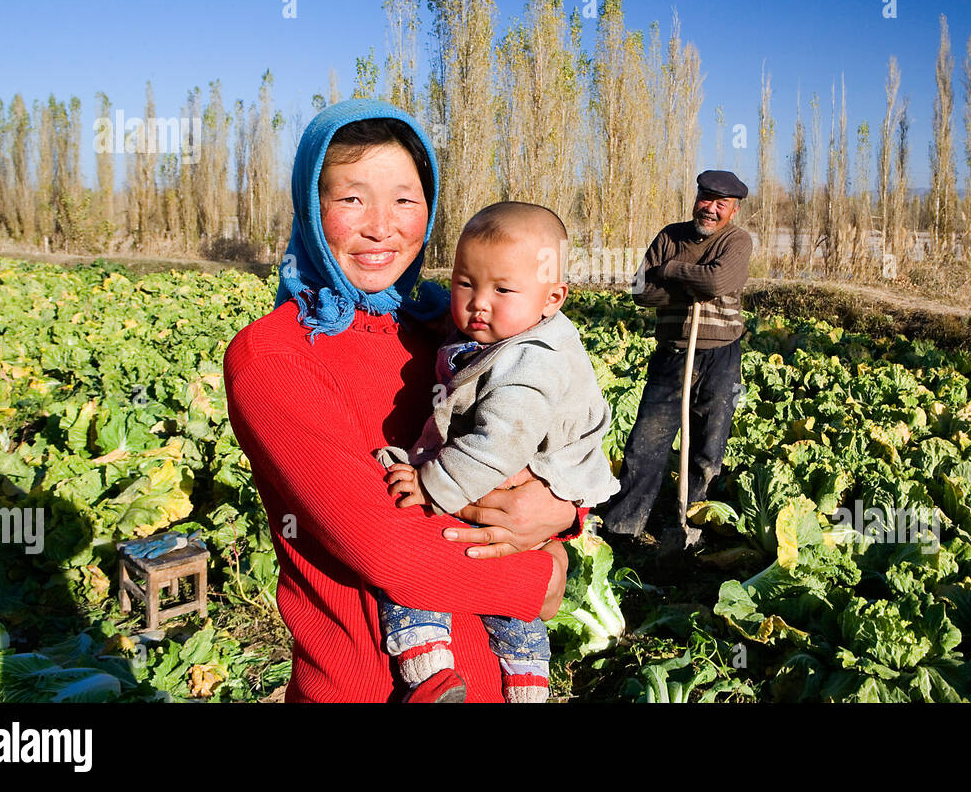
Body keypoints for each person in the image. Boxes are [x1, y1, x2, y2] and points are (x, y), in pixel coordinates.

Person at [224, 99, 581, 703]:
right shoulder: (274, 358)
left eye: (405, 199)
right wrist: (541, 576)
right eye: (352, 199)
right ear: (312, 207)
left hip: (494, 674)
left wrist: (563, 512)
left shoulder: (449, 328)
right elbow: (388, 551)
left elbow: (546, 424)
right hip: (369, 685)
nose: (381, 226)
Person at [376, 201, 618, 703]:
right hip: (539, 496)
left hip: (513, 480)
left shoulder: (531, 365)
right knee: (511, 590)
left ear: (553, 298)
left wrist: (431, 485)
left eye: (502, 290)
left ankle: (428, 665)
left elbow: (497, 446)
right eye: (465, 283)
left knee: (425, 560)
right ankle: (528, 683)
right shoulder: (514, 328)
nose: (477, 304)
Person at [598, 170, 752, 549]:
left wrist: (669, 271)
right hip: (673, 353)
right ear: (696, 197)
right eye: (706, 199)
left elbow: (717, 283)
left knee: (708, 446)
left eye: (721, 204)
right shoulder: (670, 235)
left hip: (720, 354)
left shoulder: (737, 240)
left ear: (733, 210)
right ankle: (624, 527)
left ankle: (691, 524)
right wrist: (691, 284)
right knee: (646, 442)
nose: (711, 209)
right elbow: (640, 290)